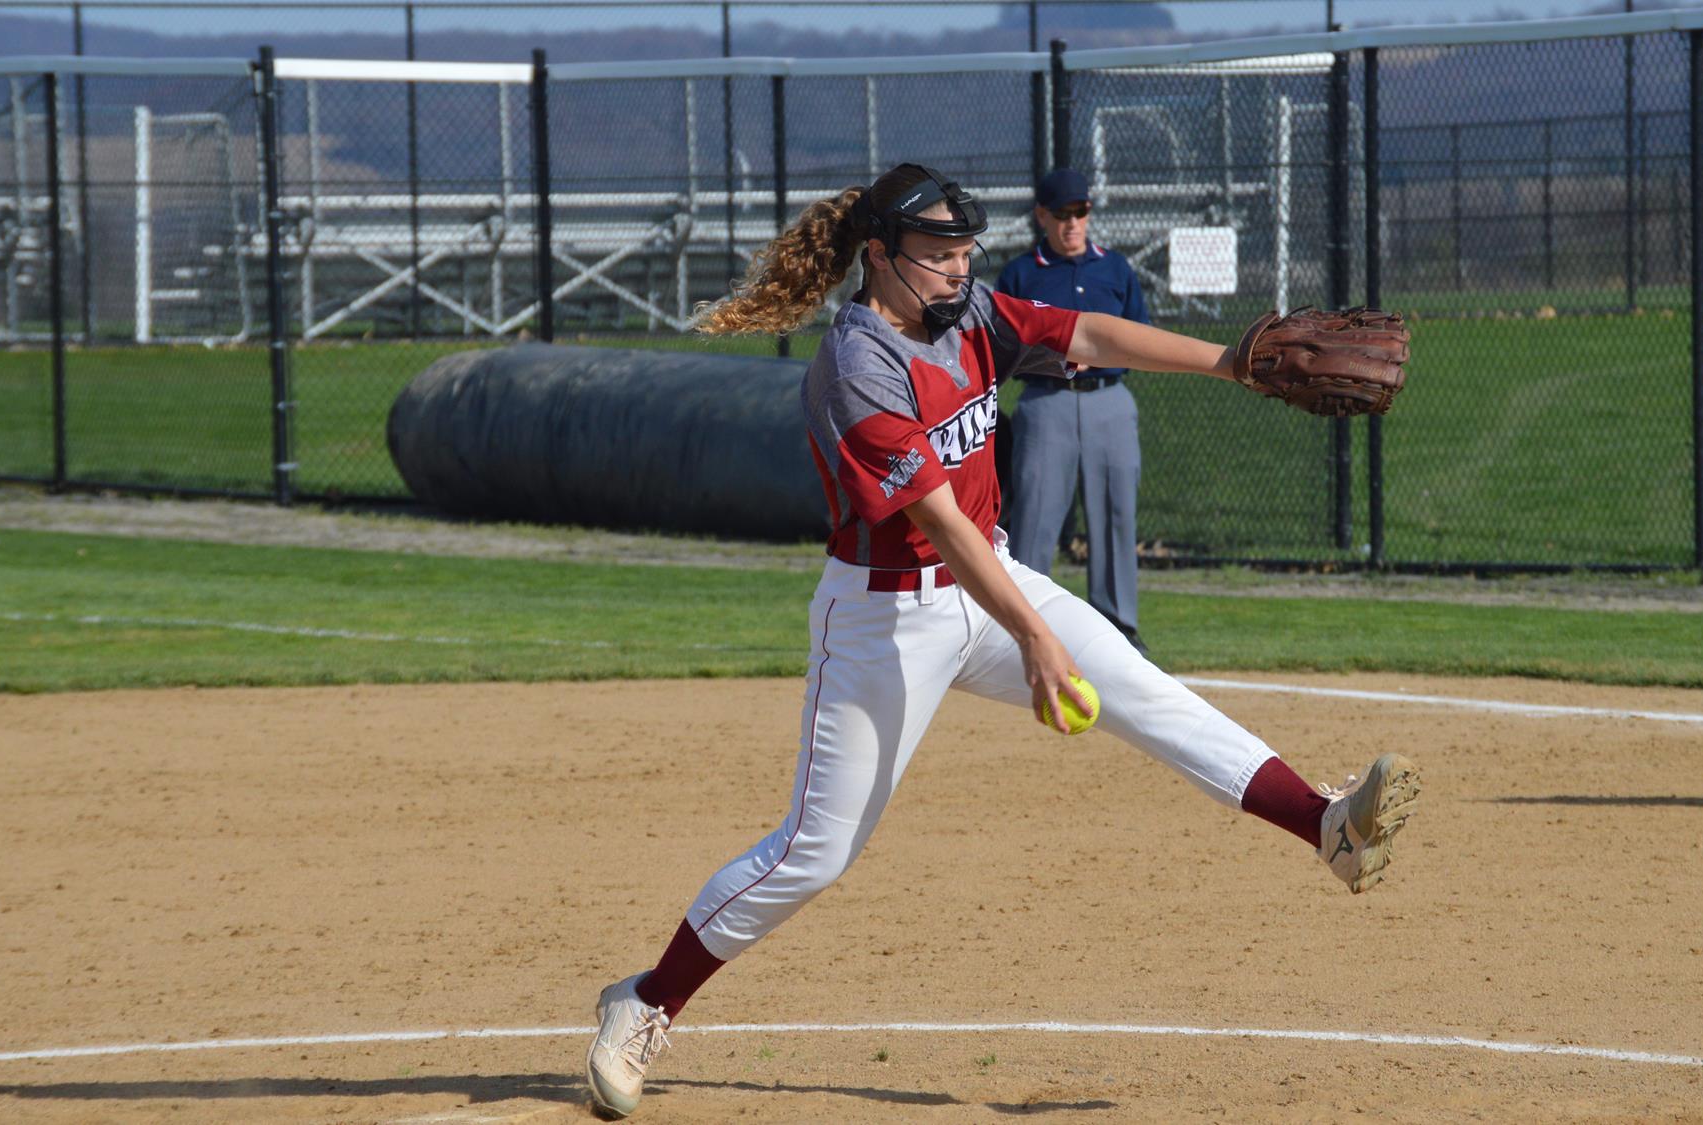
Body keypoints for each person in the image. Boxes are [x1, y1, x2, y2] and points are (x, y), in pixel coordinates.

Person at [582, 163, 1420, 1121]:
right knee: (817, 850)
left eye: (964, 250)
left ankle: (1326, 826)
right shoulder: (858, 365)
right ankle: (646, 1000)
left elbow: (1087, 334)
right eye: (938, 253)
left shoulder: (972, 313)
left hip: (990, 580)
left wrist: (1229, 360)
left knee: (1145, 690)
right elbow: (940, 522)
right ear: (877, 257)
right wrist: (1035, 636)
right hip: (883, 621)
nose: (958, 268)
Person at [997, 167, 1150, 653]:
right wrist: (1051, 357)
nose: (1072, 223)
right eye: (1062, 214)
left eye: (1080, 212)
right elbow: (1000, 344)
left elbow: (1140, 337)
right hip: (1046, 402)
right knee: (1035, 516)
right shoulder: (1021, 273)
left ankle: (1119, 628)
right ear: (1041, 216)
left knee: (1116, 513)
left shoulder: (1116, 269)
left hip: (1110, 400)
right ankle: (1022, 627)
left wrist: (1102, 356)